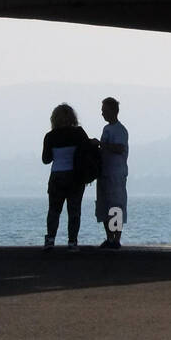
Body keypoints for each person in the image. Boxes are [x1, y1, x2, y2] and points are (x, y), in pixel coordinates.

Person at [43, 103, 89, 250]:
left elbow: (46, 159)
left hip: (57, 176)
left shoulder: (50, 136)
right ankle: (72, 241)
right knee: (74, 210)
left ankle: (50, 239)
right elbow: (87, 151)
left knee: (54, 210)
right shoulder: (79, 133)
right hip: (75, 176)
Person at [96, 96, 129, 249]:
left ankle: (116, 238)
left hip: (116, 174)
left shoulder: (120, 130)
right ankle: (110, 237)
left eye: (104, 111)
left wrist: (101, 144)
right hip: (105, 173)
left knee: (115, 206)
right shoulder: (107, 129)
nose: (102, 114)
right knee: (104, 206)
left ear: (113, 111)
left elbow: (119, 148)